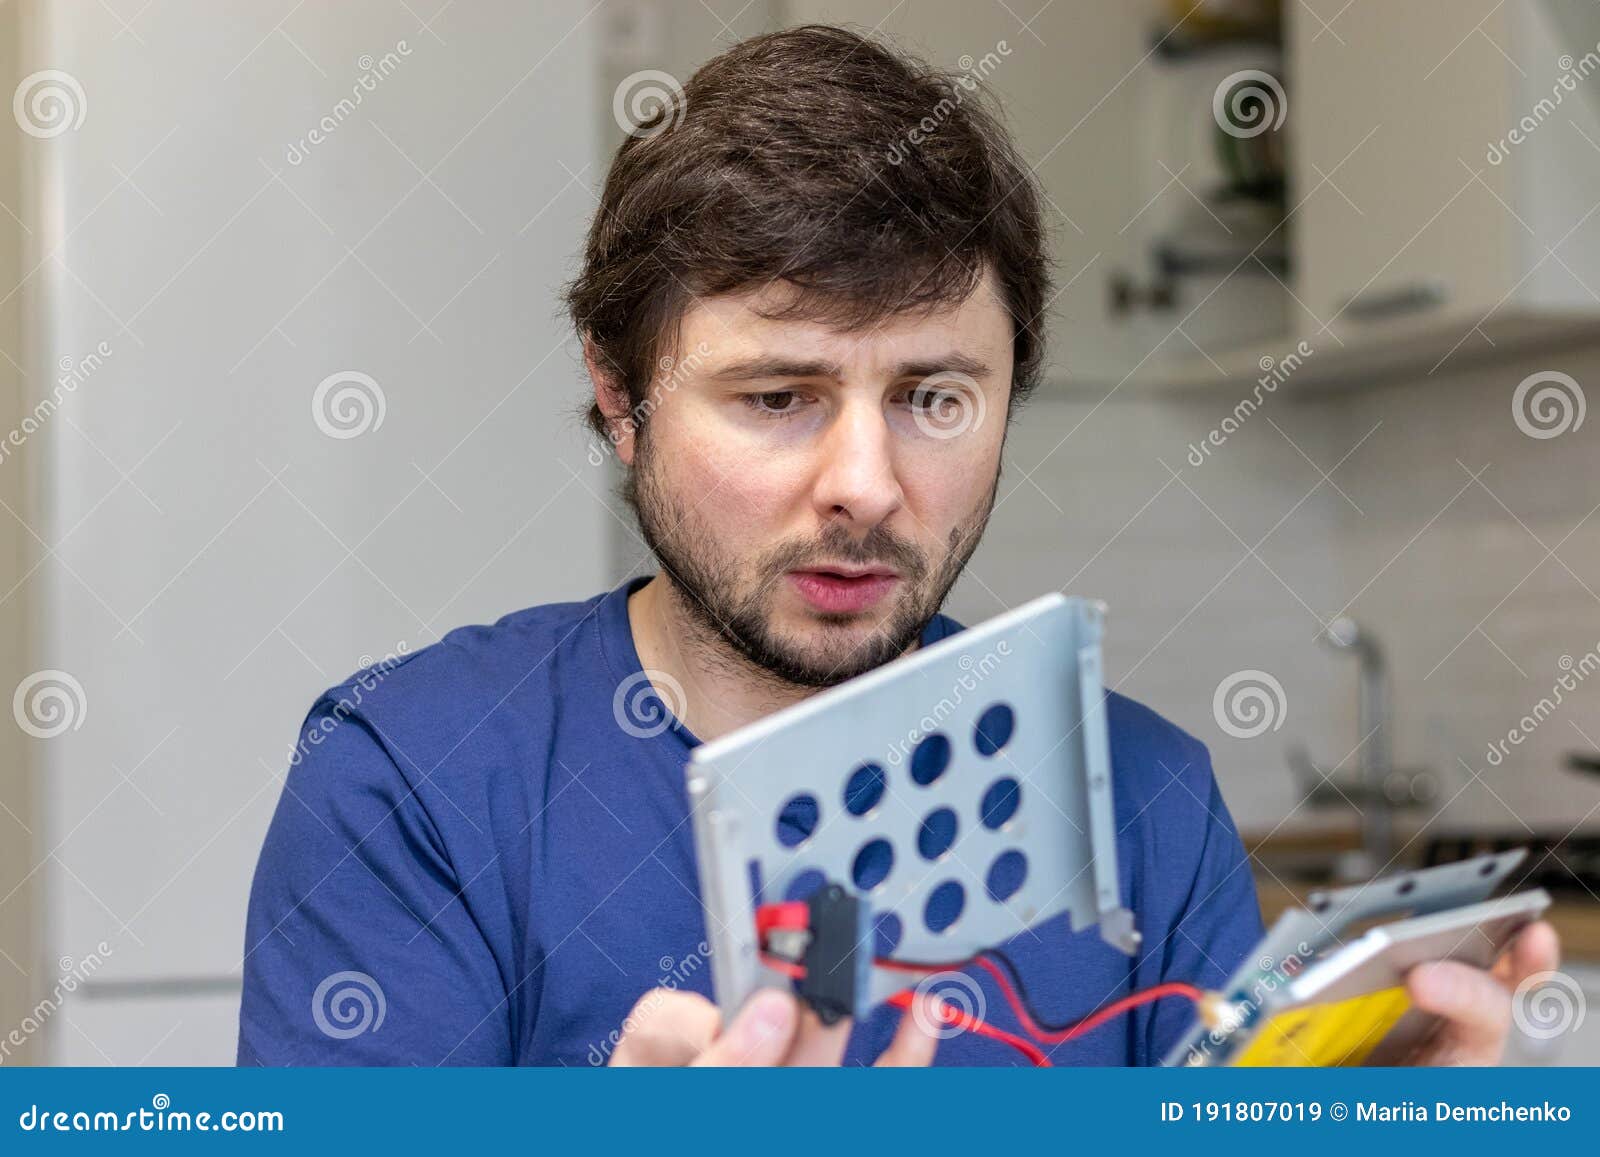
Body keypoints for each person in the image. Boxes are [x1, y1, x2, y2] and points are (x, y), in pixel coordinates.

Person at [238, 24, 1557, 1067]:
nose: (865, 485)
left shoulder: (1144, 803)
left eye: (934, 397)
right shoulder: (410, 789)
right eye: (776, 397)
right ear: (619, 397)